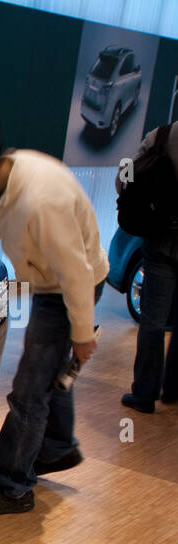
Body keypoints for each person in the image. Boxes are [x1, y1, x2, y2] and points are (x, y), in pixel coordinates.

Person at [0, 115, 109, 515]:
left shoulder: (40, 199)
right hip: (56, 283)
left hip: (65, 289)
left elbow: (76, 271)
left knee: (29, 390)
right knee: (44, 372)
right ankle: (56, 447)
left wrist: (82, 334)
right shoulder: (14, 173)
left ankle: (13, 486)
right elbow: (11, 226)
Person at [117, 124, 178, 412]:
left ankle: (144, 393)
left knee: (152, 321)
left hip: (161, 237)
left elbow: (124, 176)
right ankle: (173, 389)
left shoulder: (162, 136)